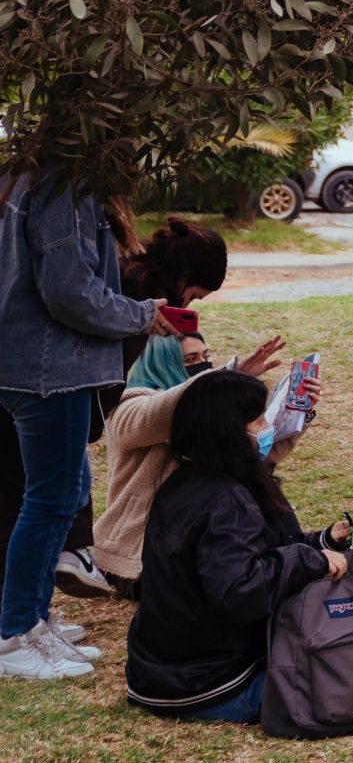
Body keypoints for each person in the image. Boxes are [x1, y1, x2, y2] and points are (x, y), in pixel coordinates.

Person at [0, 164, 167, 682]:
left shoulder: (29, 178)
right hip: (50, 369)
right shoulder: (61, 185)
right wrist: (139, 314)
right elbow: (70, 290)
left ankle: (32, 620)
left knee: (62, 491)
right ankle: (13, 634)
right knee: (51, 498)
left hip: (42, 366)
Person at [123, 369, 353, 725]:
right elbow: (240, 592)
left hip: (162, 673)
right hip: (211, 682)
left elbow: (250, 554)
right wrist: (308, 559)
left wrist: (321, 543)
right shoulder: (228, 500)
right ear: (230, 432)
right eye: (259, 418)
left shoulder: (186, 482)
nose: (267, 427)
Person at [95, 329, 296, 600]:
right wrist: (225, 378)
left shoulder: (207, 411)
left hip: (193, 538)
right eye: (190, 360)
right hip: (139, 558)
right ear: (160, 363)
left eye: (206, 357)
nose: (202, 365)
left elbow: (254, 461)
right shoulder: (127, 407)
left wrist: (296, 417)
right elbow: (162, 412)